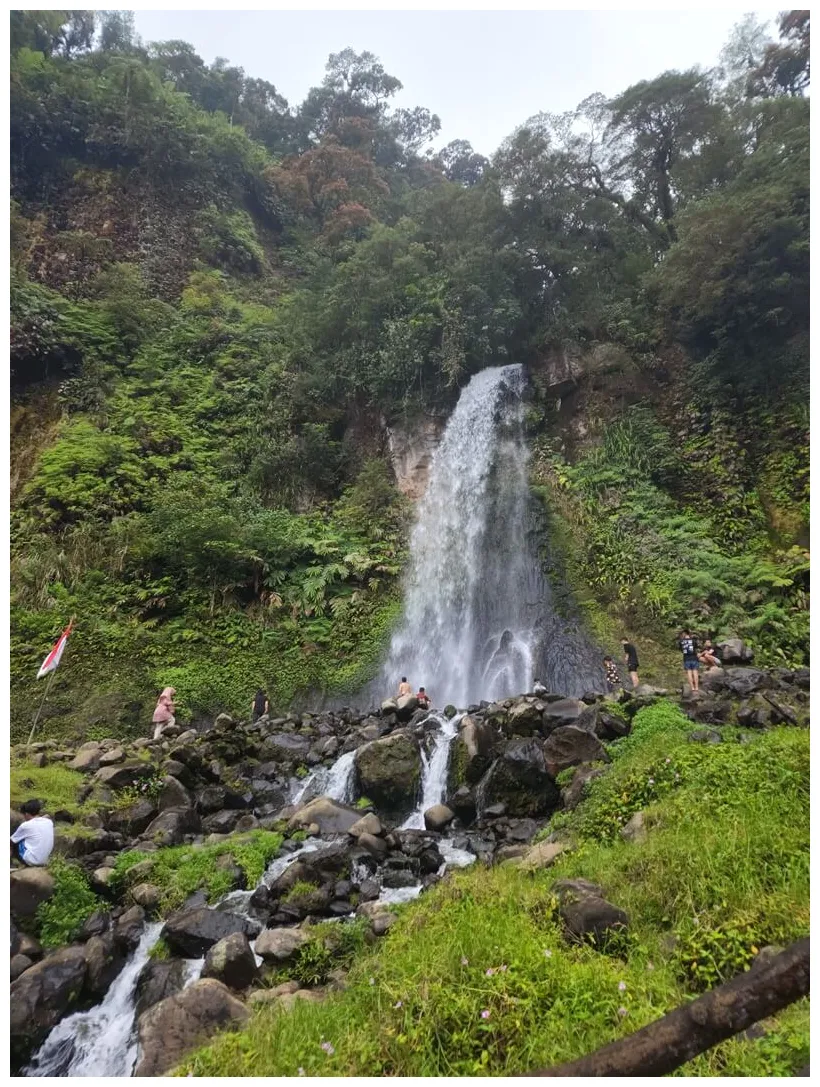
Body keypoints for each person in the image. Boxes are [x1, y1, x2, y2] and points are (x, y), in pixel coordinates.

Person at [10, 800, 54, 867]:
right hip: (44, 860)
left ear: (26, 814)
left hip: (31, 860)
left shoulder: (26, 825)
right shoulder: (49, 822)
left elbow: (12, 841)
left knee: (13, 839)